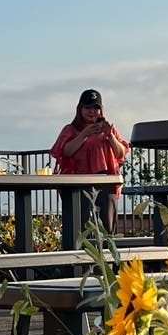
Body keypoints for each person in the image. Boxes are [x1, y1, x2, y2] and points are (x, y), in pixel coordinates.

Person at [51, 88, 128, 232]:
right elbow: (65, 152)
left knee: (108, 226)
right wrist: (84, 135)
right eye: (87, 107)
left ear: (101, 110)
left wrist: (110, 136)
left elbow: (121, 152)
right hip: (77, 183)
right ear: (80, 109)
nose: (92, 111)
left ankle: (108, 251)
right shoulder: (70, 129)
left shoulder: (108, 128)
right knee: (77, 226)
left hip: (106, 181)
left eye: (95, 107)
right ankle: (74, 251)